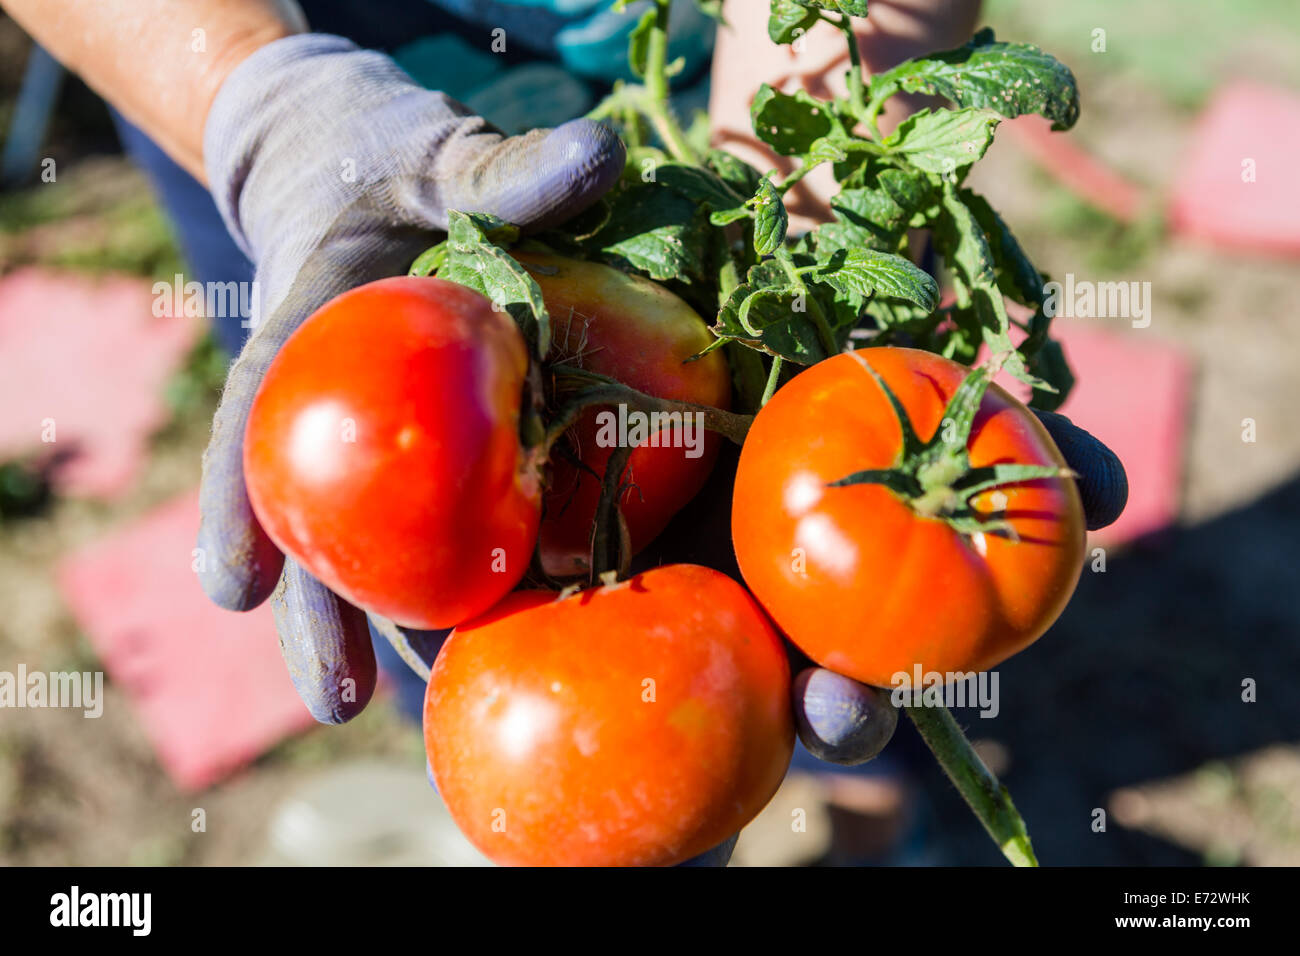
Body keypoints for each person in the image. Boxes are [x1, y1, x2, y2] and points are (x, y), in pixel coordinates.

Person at [3, 0, 1122, 865]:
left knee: (854, 686)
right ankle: (462, 770)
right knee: (411, 636)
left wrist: (808, 223)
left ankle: (878, 820)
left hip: (708, 118)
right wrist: (268, 109)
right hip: (288, 116)